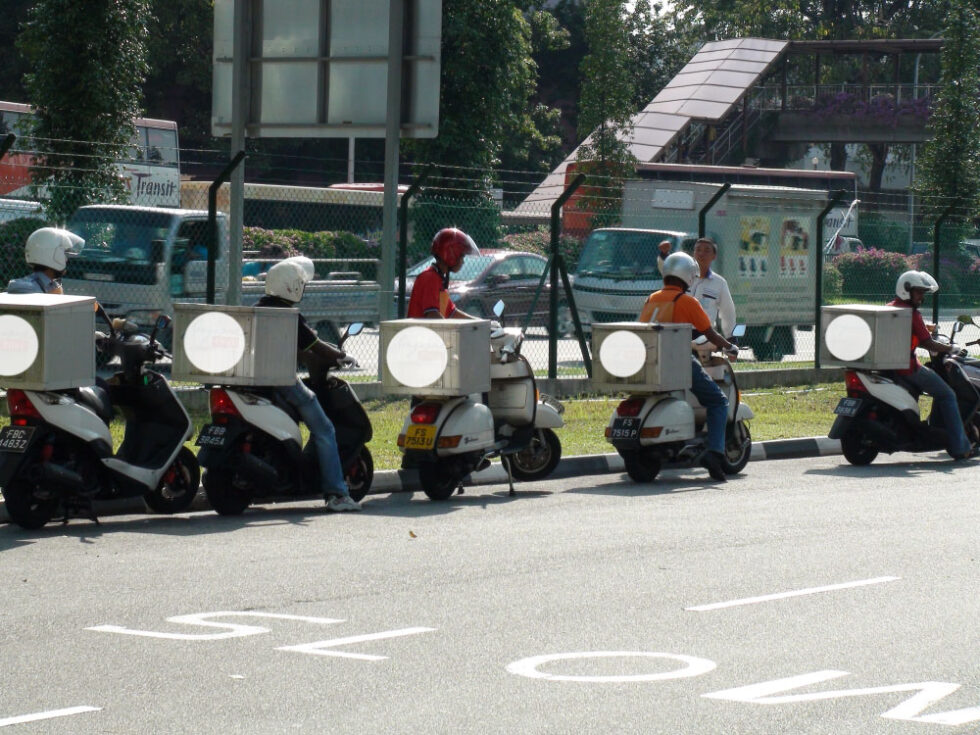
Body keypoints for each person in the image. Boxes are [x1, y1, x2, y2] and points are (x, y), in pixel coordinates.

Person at [257, 256, 363, 511]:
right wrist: (341, 356)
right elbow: (315, 346)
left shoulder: (258, 308)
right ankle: (337, 493)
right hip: (282, 381)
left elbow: (299, 348)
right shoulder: (288, 315)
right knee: (325, 429)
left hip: (254, 381)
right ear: (292, 287)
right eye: (301, 284)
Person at [639, 252, 740, 482]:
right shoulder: (686, 301)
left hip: (649, 362)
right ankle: (715, 453)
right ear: (687, 276)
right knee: (717, 401)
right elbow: (709, 332)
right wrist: (729, 346)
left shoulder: (652, 299)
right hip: (677, 363)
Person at [887, 270, 974, 460]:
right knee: (948, 395)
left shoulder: (889, 309)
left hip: (888, 366)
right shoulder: (911, 314)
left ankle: (930, 430)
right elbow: (928, 343)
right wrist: (951, 348)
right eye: (918, 292)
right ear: (906, 290)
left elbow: (907, 336)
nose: (921, 297)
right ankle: (960, 446)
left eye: (923, 293)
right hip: (909, 368)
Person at [658, 237, 736, 338]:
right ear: (694, 254)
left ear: (714, 256)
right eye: (698, 250)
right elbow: (666, 269)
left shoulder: (720, 283)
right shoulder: (682, 275)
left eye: (707, 250)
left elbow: (728, 312)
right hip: (678, 332)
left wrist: (730, 336)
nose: (701, 254)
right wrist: (664, 255)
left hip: (705, 335)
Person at [407, 228, 480, 319]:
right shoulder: (430, 278)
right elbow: (432, 315)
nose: (463, 262)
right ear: (451, 255)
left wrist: (481, 322)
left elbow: (453, 314)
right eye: (462, 256)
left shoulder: (438, 278)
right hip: (420, 329)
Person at [6, 227, 84, 294]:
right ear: (51, 255)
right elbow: (15, 286)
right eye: (63, 253)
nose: (66, 259)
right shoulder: (28, 288)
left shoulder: (53, 285)